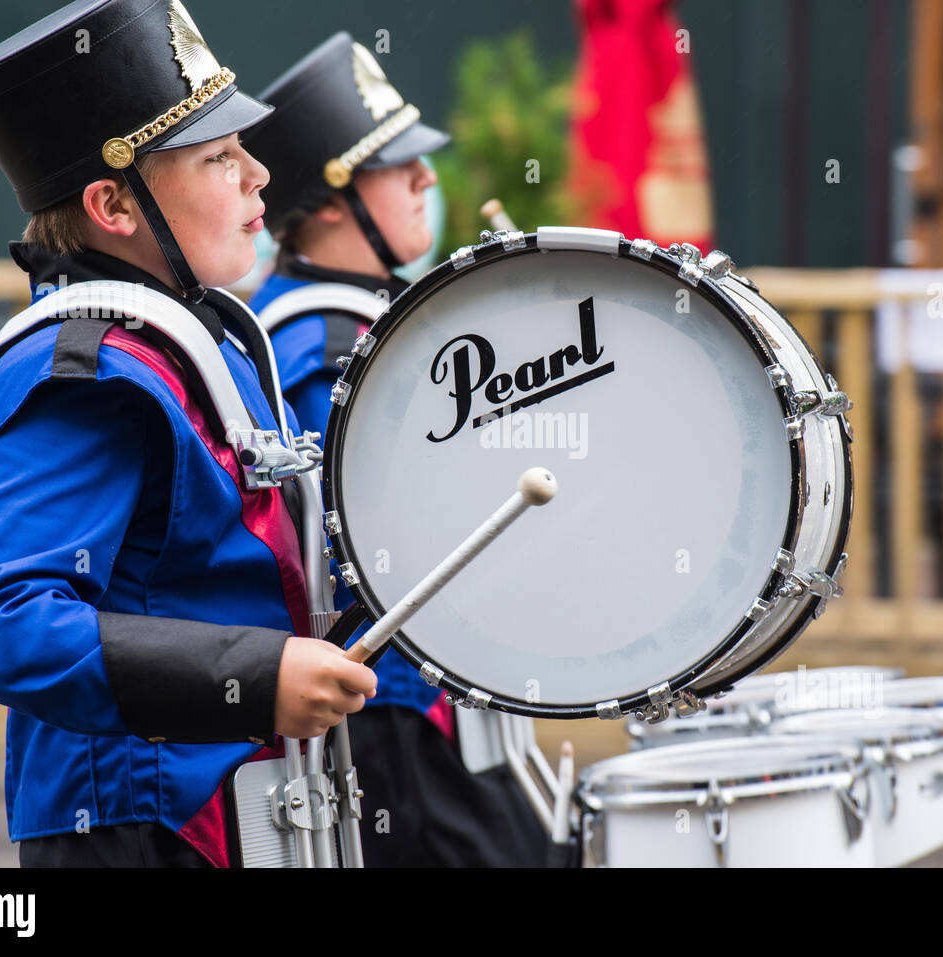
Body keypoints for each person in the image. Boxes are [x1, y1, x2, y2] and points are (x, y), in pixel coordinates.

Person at [0, 0, 376, 868]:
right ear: (113, 203)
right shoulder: (86, 374)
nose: (260, 174)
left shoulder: (196, 339)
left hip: (230, 816)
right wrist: (257, 676)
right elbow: (1, 624)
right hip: (142, 832)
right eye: (219, 157)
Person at [244, 33, 550, 866]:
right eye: (400, 167)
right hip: (391, 719)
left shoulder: (365, 322)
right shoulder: (325, 347)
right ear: (333, 198)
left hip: (425, 707)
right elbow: (377, 551)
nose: (428, 181)